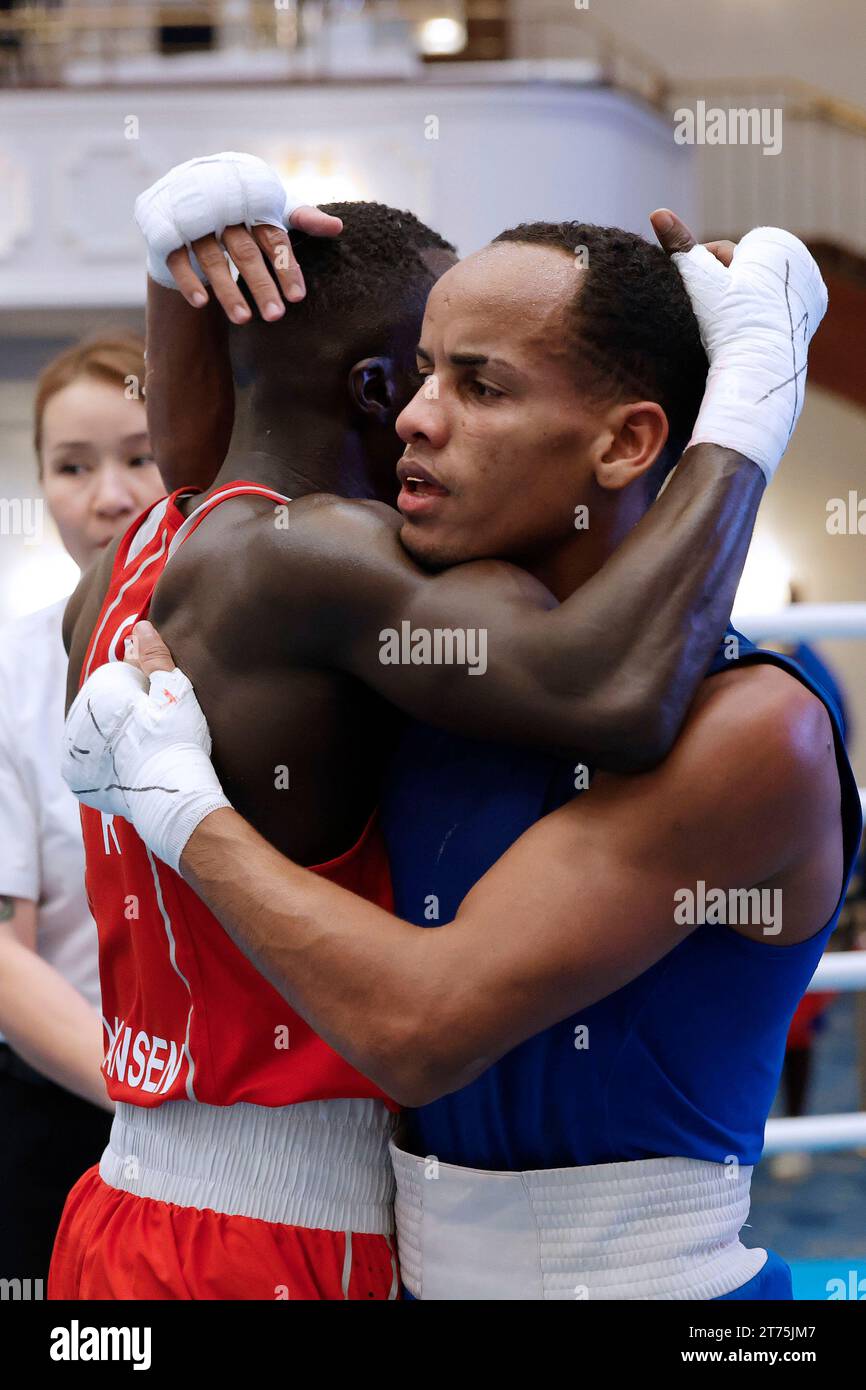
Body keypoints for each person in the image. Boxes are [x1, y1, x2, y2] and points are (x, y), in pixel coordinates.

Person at [65, 203, 860, 1301]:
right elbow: (245, 486)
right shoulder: (437, 659)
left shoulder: (751, 726)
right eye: (420, 371)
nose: (413, 419)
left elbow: (418, 1025)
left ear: (625, 441)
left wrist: (182, 811)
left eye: (478, 387)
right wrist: (176, 265)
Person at [0, 333, 165, 1285]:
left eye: (141, 454)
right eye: (72, 466)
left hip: (270, 1125)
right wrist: (145, 1092)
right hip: (71, 1112)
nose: (111, 495)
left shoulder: (270, 645)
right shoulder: (16, 670)